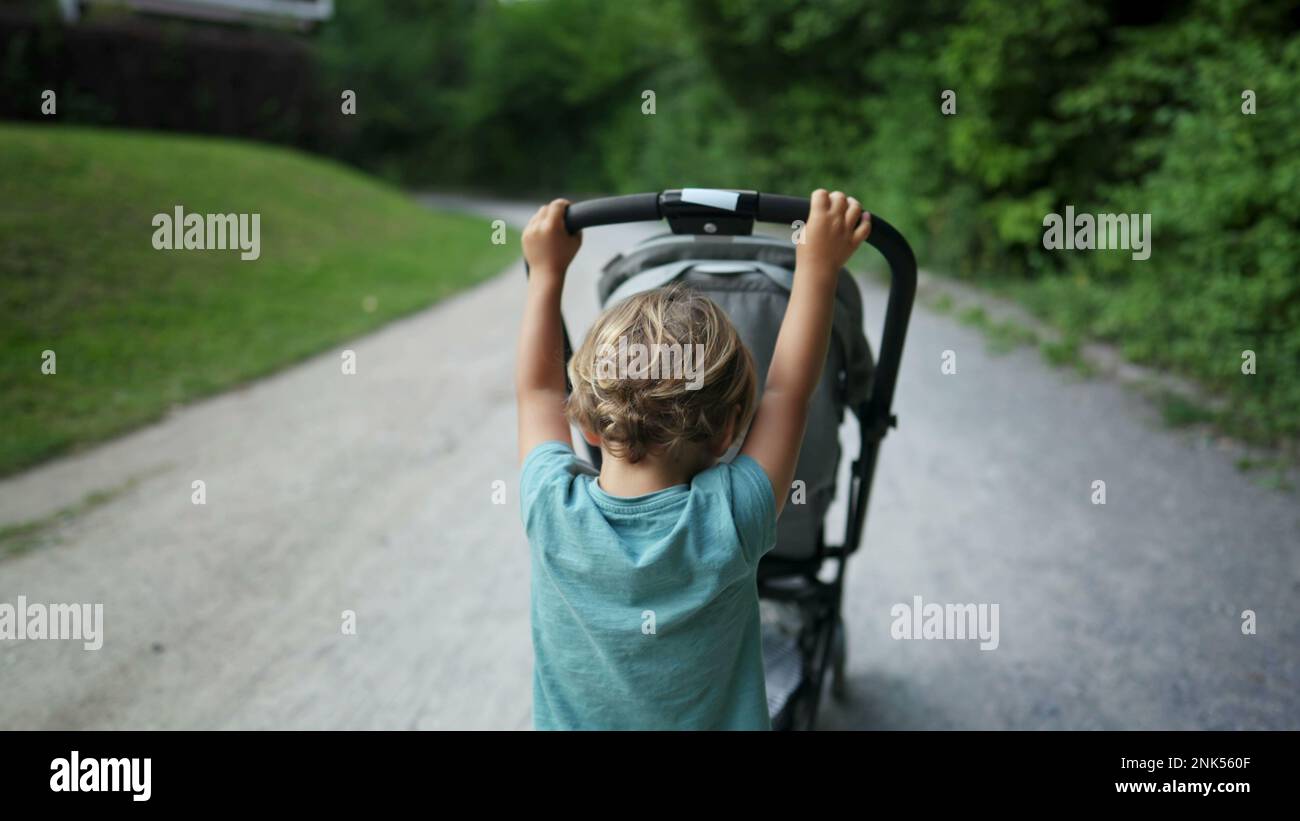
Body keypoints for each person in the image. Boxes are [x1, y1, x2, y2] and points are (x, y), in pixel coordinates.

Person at [515, 190, 871, 729]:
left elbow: (538, 392)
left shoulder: (548, 505)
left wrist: (545, 272)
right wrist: (816, 267)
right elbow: (787, 395)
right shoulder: (731, 517)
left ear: (584, 421)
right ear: (730, 430)